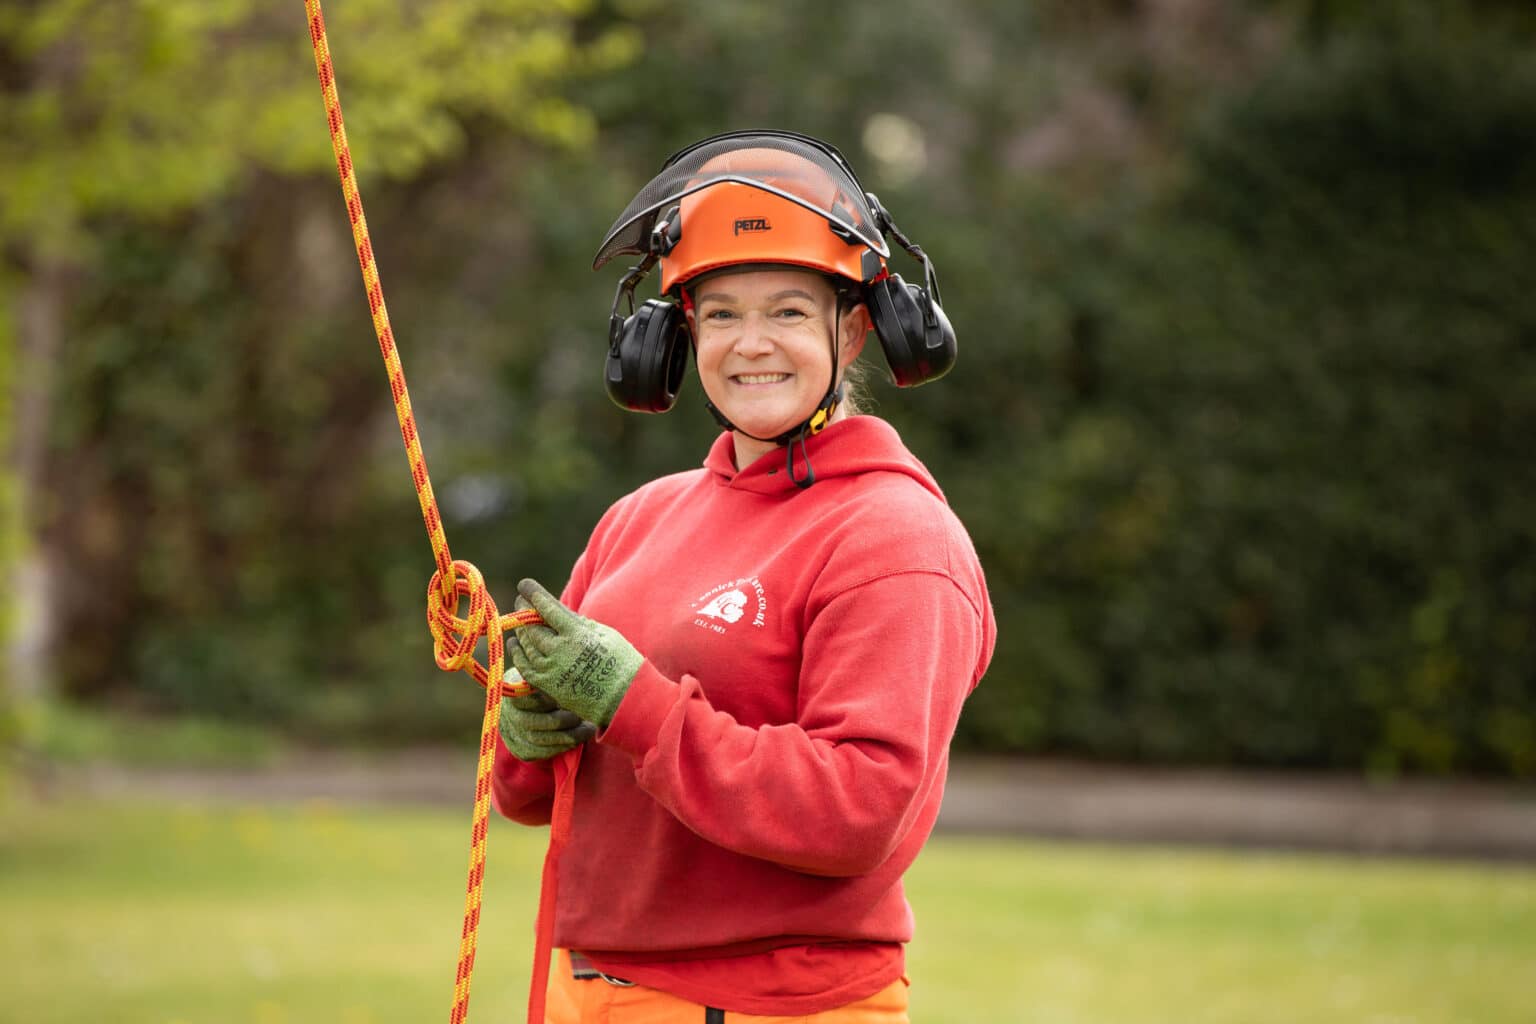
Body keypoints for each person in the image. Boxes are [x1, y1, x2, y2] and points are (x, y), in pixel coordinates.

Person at [492, 129, 995, 1023]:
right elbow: (542, 792)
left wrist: (631, 705)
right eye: (720, 313)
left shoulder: (896, 536)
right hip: (593, 989)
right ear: (675, 338)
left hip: (769, 1006)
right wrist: (529, 739)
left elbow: (860, 809)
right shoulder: (640, 516)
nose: (750, 343)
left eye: (789, 312)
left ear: (855, 328)